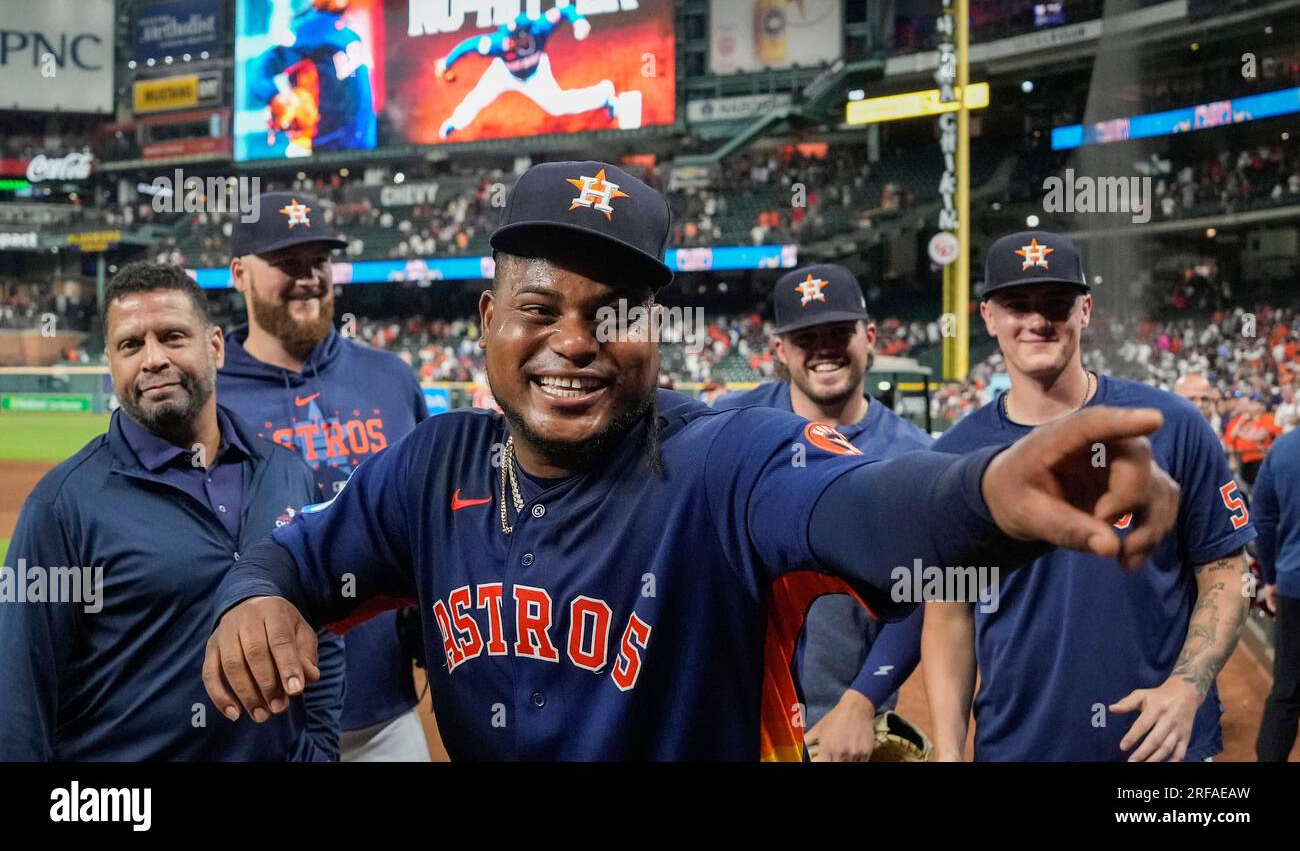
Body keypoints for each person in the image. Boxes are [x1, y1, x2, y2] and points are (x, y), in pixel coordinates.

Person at [202, 164, 1179, 761]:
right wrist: (256, 590)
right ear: (487, 322)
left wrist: (988, 490)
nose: (576, 340)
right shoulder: (431, 464)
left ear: (657, 333)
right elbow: (296, 555)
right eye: (540, 307)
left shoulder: (725, 457)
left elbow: (873, 504)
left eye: (615, 311)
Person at [923, 231, 1255, 762]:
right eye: (1016, 304)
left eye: (1056, 303)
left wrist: (1187, 688)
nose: (1037, 320)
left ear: (1085, 310)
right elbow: (948, 613)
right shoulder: (953, 455)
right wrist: (945, 751)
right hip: (1018, 746)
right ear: (987, 315)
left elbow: (1226, 571)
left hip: (1162, 752)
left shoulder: (1171, 424)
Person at [0, 262, 343, 760]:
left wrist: (318, 750)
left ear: (216, 347)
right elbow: (19, 695)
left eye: (173, 336)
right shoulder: (61, 505)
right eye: (130, 345)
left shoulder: (288, 473)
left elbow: (324, 629)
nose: (153, 359)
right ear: (112, 364)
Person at [217, 191, 431, 762]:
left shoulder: (390, 378)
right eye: (288, 263)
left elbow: (430, 516)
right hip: (259, 723)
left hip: (387, 711)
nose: (309, 278)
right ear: (239, 272)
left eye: (319, 261)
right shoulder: (209, 396)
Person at [714, 263, 931, 761]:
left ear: (870, 337)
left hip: (839, 726)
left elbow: (921, 597)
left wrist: (862, 701)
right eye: (806, 335)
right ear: (780, 351)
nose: (824, 347)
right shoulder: (729, 426)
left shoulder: (912, 456)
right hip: (733, 712)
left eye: (839, 331)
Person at [250, 0, 378, 156]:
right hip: (325, 153)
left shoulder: (342, 26)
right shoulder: (307, 27)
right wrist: (274, 96)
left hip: (362, 152)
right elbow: (259, 68)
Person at [434, 7, 626, 139]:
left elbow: (565, 9)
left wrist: (579, 21)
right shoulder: (497, 43)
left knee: (558, 106)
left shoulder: (540, 28)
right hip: (504, 73)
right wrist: (447, 62)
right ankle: (455, 122)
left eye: (514, 38)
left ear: (526, 35)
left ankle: (604, 94)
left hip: (536, 73)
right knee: (477, 97)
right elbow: (469, 46)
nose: (509, 41)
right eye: (508, 37)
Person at [1252, 427, 1300, 760]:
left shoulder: (1283, 448)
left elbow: (1263, 520)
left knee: (1286, 690)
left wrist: (1270, 577)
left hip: (1293, 581)